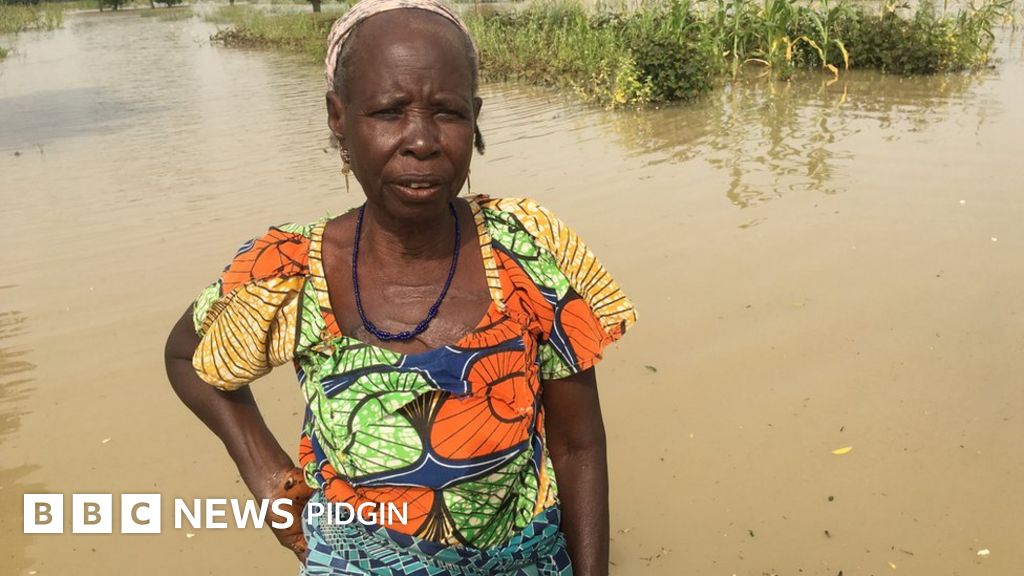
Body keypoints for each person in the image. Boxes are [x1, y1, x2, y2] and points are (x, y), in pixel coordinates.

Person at [163, 0, 637, 574]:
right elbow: (187, 355)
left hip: (525, 557)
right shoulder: (290, 269)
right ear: (339, 118)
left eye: (448, 112)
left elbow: (578, 445)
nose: (422, 140)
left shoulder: (528, 247)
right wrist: (271, 478)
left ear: (476, 117)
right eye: (389, 111)